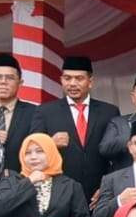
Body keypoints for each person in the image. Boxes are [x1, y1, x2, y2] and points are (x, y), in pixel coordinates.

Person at [32, 55, 121, 201]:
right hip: (58, 194)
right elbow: (31, 152)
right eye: (67, 78)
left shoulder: (109, 112)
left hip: (99, 195)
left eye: (79, 78)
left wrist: (107, 188)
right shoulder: (45, 112)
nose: (72, 83)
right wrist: (50, 143)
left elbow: (117, 158)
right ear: (61, 80)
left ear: (90, 82)